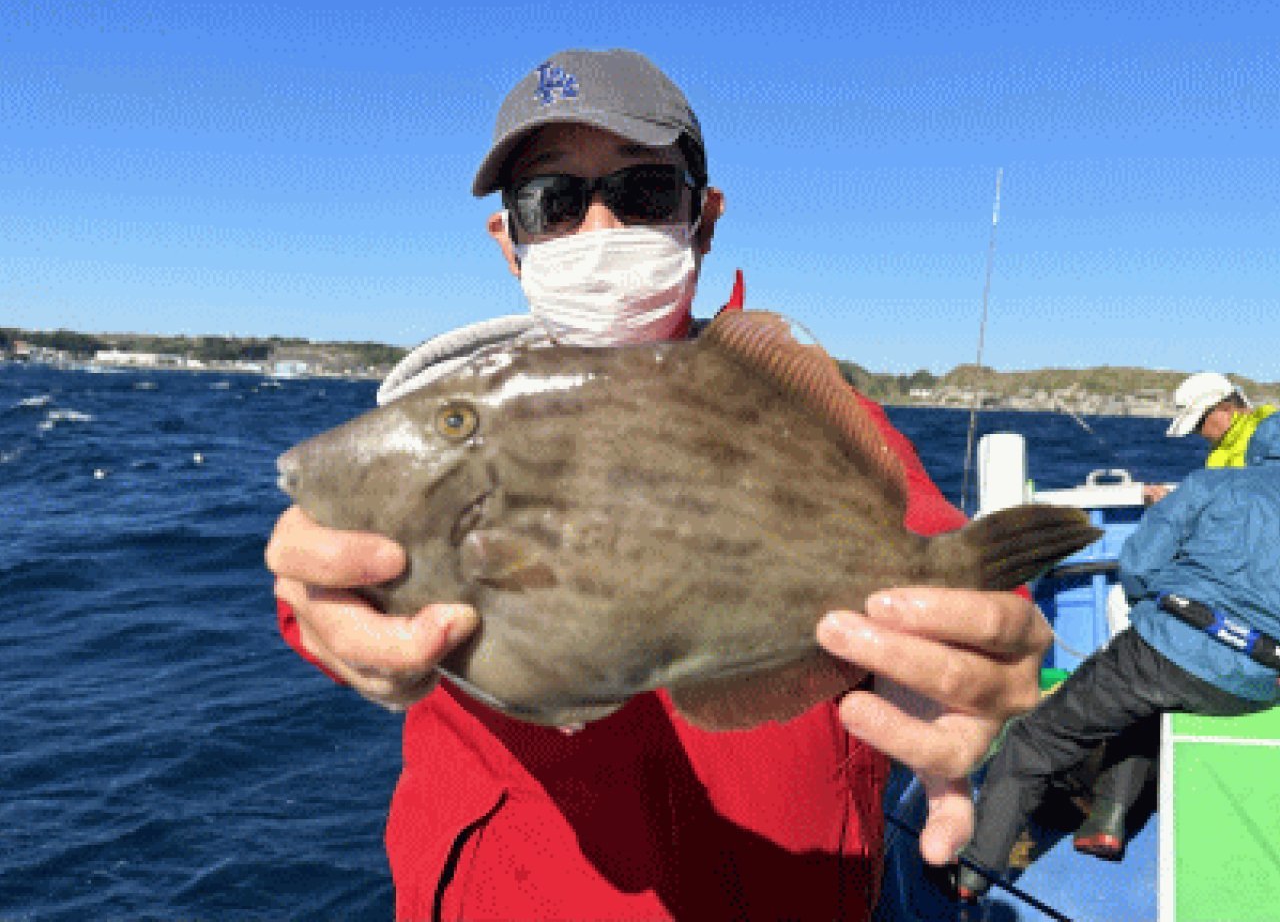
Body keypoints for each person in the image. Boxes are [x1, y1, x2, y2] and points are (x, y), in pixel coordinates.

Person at [266, 48, 1054, 921]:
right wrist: (314, 601)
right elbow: (331, 573)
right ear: (510, 238)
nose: (598, 230)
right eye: (552, 200)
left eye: (641, 193)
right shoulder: (452, 408)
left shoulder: (791, 410)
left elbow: (934, 553)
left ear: (702, 219)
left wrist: (970, 661)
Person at [955, 456, 1280, 901]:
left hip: (1167, 649)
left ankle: (973, 873)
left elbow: (1140, 565)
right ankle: (1107, 820)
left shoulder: (1214, 485)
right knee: (1156, 701)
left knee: (1037, 740)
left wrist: (1150, 618)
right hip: (1253, 686)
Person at [1144, 371, 1279, 502]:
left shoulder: (1272, 433)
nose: (1196, 432)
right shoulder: (1221, 450)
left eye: (1198, 423)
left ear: (1225, 408)